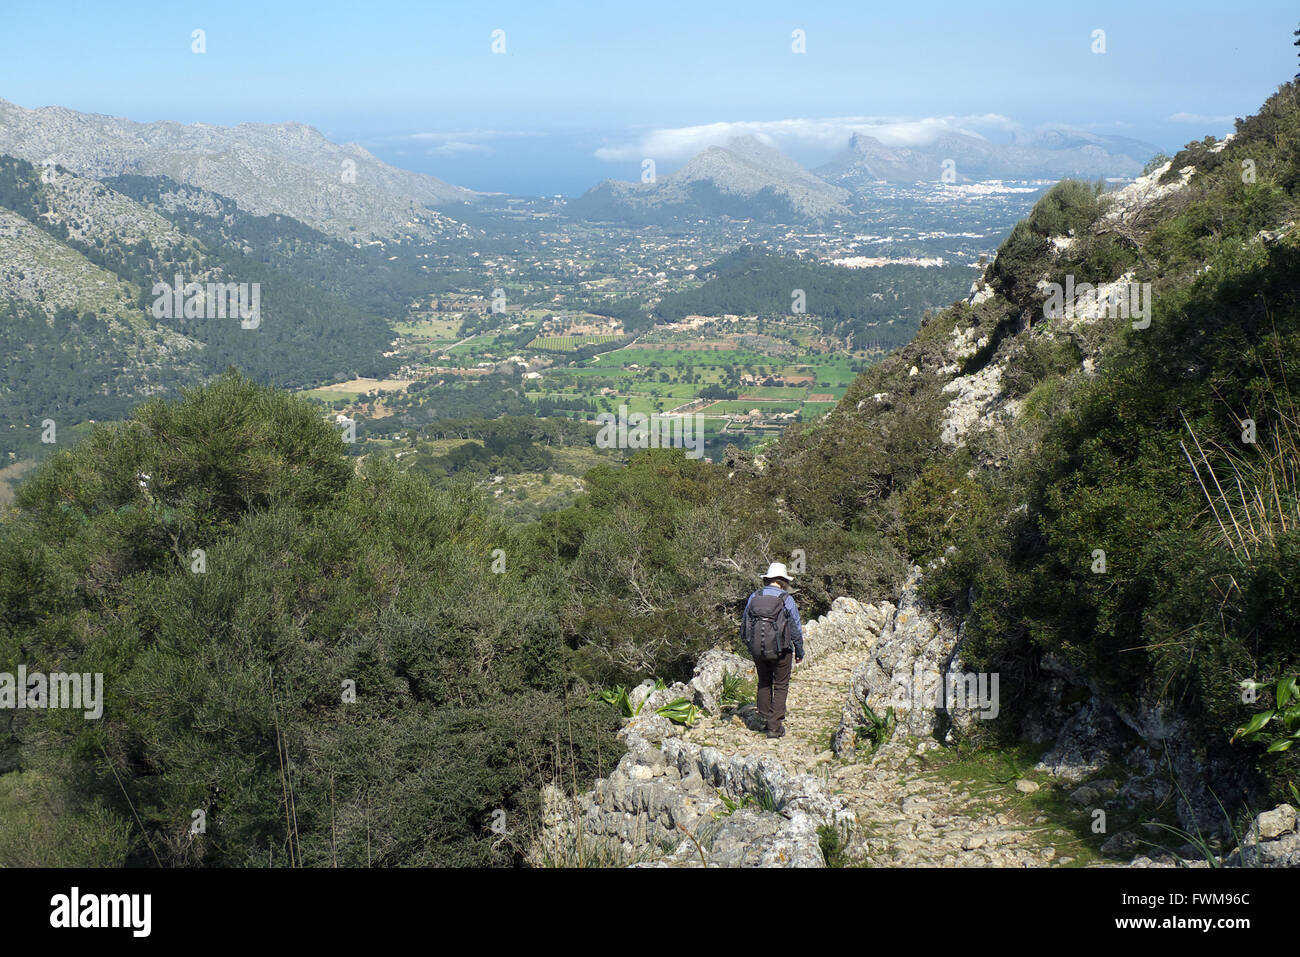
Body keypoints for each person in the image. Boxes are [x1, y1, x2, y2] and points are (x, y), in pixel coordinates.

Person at [739, 562, 804, 738]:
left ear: (767, 579)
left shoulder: (755, 596)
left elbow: (745, 623)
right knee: (781, 685)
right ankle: (775, 727)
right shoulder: (786, 599)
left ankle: (763, 719)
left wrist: (751, 646)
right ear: (782, 581)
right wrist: (799, 651)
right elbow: (795, 627)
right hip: (782, 650)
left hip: (758, 650)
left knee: (764, 682)